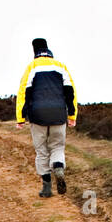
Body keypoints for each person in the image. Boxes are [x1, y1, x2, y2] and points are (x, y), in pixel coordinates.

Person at [16, 38, 77, 198]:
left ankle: (47, 188)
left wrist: (20, 118)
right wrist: (72, 115)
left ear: (35, 52)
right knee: (57, 147)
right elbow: (71, 92)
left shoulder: (31, 67)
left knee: (42, 151)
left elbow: (23, 94)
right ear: (49, 50)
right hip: (58, 114)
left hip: (38, 116)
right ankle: (58, 166)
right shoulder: (61, 67)